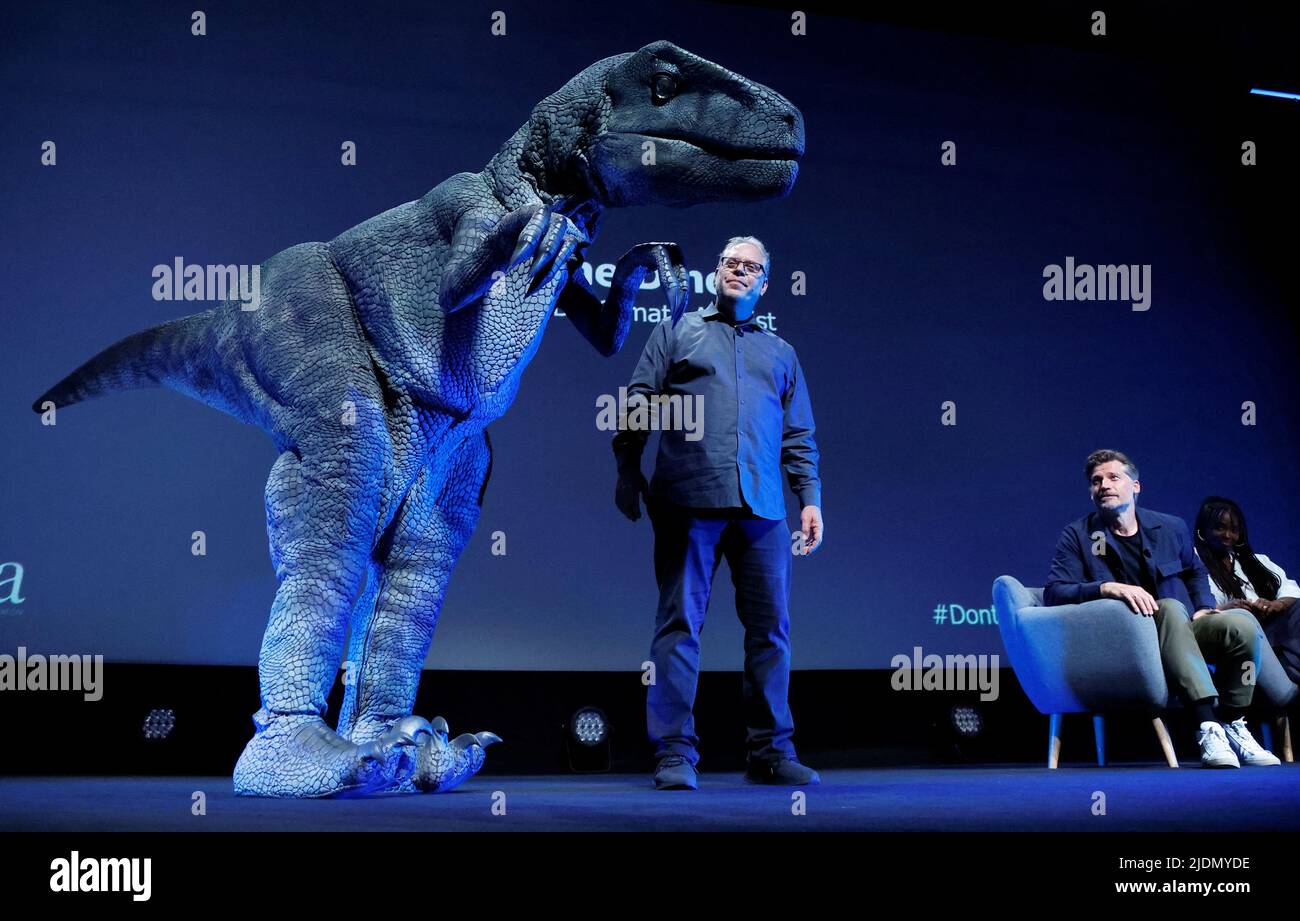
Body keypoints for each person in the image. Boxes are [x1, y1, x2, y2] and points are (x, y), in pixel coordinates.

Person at [612, 236, 823, 789]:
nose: (739, 271)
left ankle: (771, 753)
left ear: (764, 284)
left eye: (751, 266)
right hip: (687, 500)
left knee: (771, 631)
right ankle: (675, 754)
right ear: (716, 272)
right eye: (731, 262)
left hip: (764, 508)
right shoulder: (677, 329)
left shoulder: (781, 352)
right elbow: (637, 400)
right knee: (679, 626)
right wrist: (627, 468)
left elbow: (798, 434)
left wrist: (810, 499)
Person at [1044, 449, 1279, 767]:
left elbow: (1193, 571)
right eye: (1096, 481)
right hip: (1127, 644)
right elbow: (1055, 593)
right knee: (1167, 607)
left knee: (1241, 624)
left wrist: (1204, 606)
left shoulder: (1170, 528)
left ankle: (1233, 721)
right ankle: (1206, 724)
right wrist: (1106, 587)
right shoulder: (1078, 535)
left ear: (1135, 486)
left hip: (1181, 630)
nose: (1104, 485)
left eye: (1113, 477)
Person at [1193, 496, 1300, 686]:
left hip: (1271, 632)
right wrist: (1226, 609)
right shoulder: (1194, 563)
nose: (1228, 535)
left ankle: (1288, 683)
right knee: (1245, 622)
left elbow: (1290, 588)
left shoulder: (1256, 561)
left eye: (1234, 530)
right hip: (1232, 636)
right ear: (1203, 531)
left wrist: (1275, 604)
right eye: (1220, 527)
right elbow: (1195, 609)